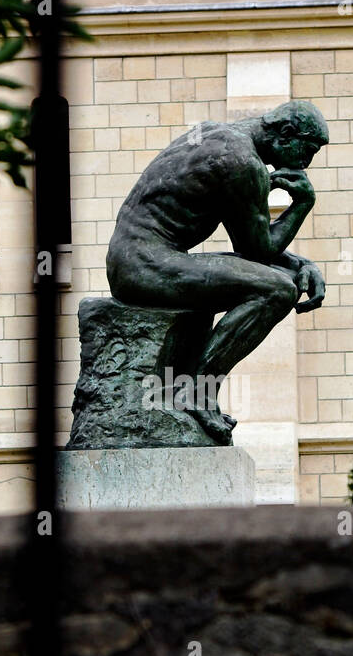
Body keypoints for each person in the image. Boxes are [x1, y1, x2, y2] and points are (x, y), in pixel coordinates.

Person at [105, 100, 329, 443]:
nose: (306, 163)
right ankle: (198, 391)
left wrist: (301, 264)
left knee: (273, 279)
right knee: (276, 291)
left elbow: (248, 251)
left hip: (141, 258)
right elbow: (257, 251)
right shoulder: (242, 162)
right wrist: (302, 204)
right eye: (308, 150)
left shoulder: (219, 135)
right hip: (144, 265)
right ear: (286, 133)